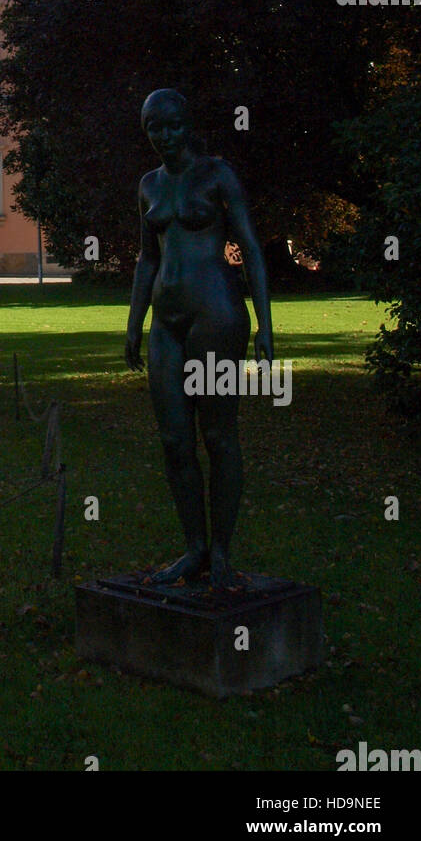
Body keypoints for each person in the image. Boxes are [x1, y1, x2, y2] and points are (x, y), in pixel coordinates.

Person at [124, 89, 273, 588]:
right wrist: (134, 323)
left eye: (172, 126)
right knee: (174, 440)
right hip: (166, 325)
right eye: (154, 128)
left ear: (188, 125)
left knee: (218, 435)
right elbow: (147, 258)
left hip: (217, 317)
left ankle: (222, 553)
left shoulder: (217, 175)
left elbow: (250, 249)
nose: (163, 136)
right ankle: (194, 549)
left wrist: (265, 325)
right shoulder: (148, 185)